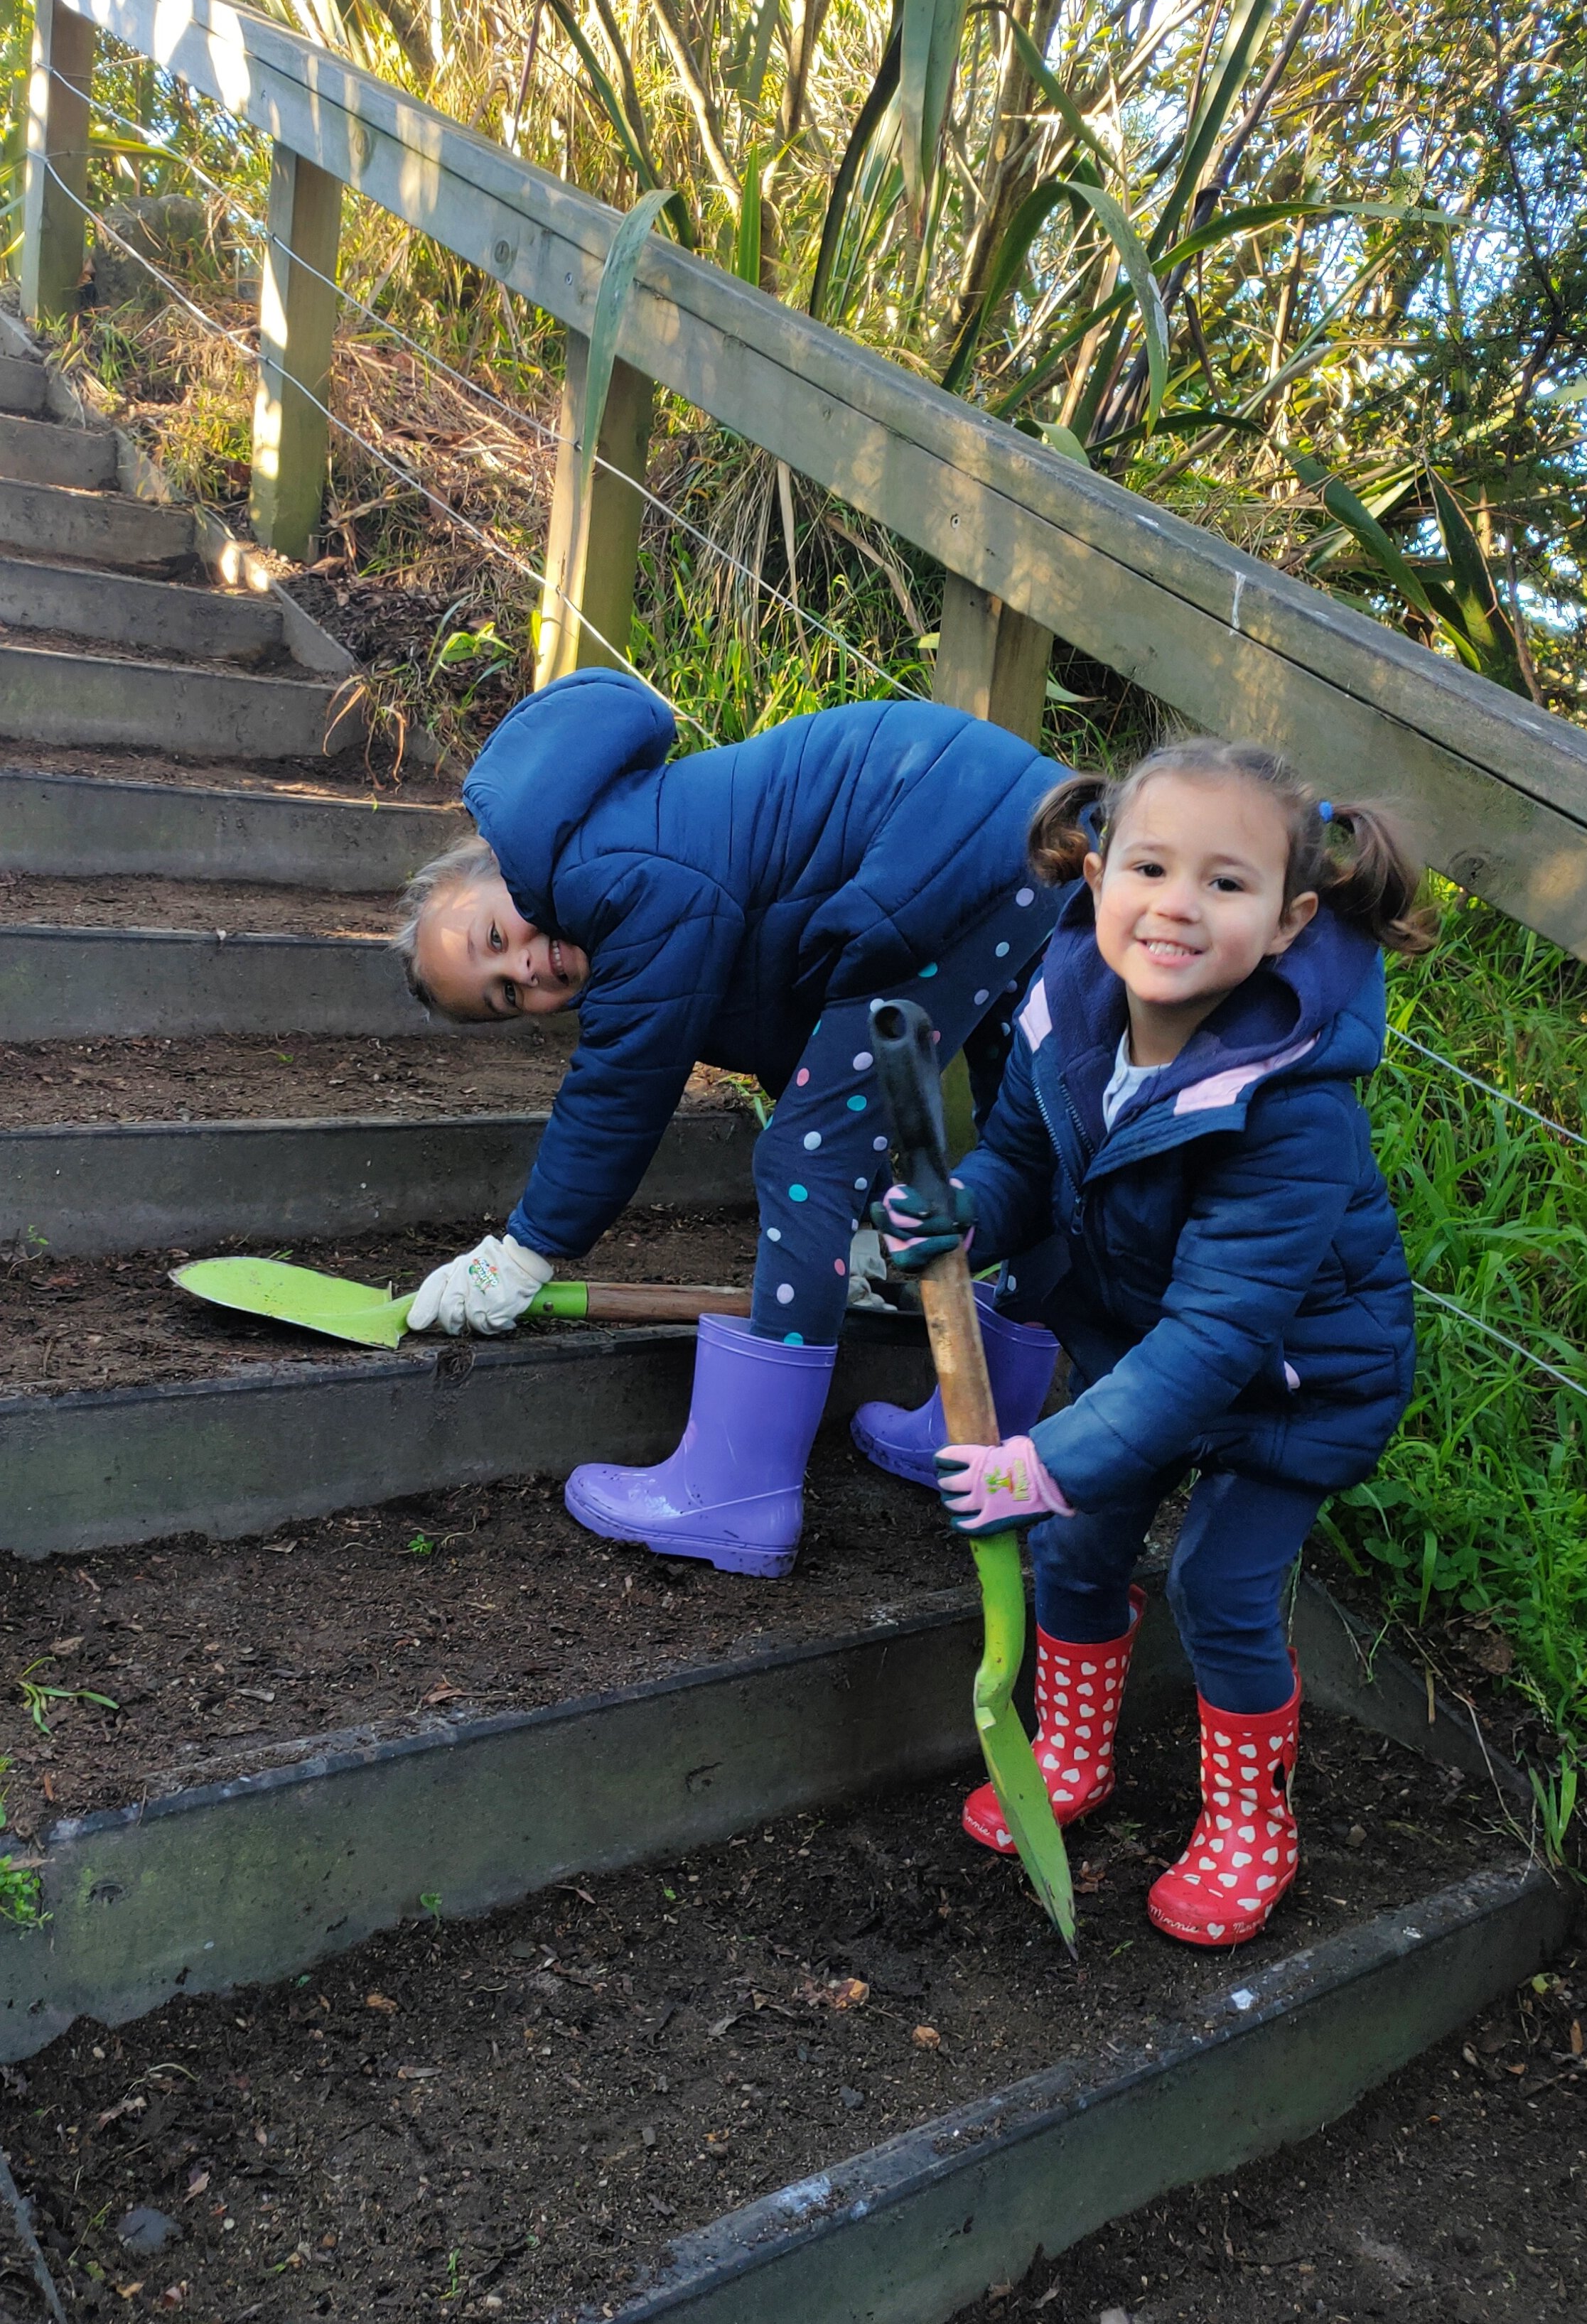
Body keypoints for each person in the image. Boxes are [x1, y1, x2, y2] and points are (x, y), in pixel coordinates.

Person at [874, 736, 1429, 1947]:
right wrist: (958, 1211)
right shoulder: (1065, 1016)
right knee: (1074, 1553)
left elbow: (1216, 1336)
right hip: (1131, 1345)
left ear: (1283, 925)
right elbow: (1018, 1161)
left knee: (1215, 1585)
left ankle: (1249, 1823)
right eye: (1150, 868)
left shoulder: (1290, 1107)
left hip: (1288, 1386)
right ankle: (1071, 1751)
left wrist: (1039, 1461)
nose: (1176, 906)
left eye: (1223, 884)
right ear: (1093, 878)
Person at [391, 666, 1070, 1575]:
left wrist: (526, 1247)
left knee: (802, 1155)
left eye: (494, 936)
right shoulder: (633, 862)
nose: (526, 968)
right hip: (1007, 828)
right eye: (506, 996)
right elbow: (831, 1060)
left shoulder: (607, 871)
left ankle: (741, 1492)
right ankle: (983, 1423)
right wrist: (873, 1226)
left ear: (502, 868)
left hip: (938, 838)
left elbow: (621, 1085)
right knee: (1030, 1128)